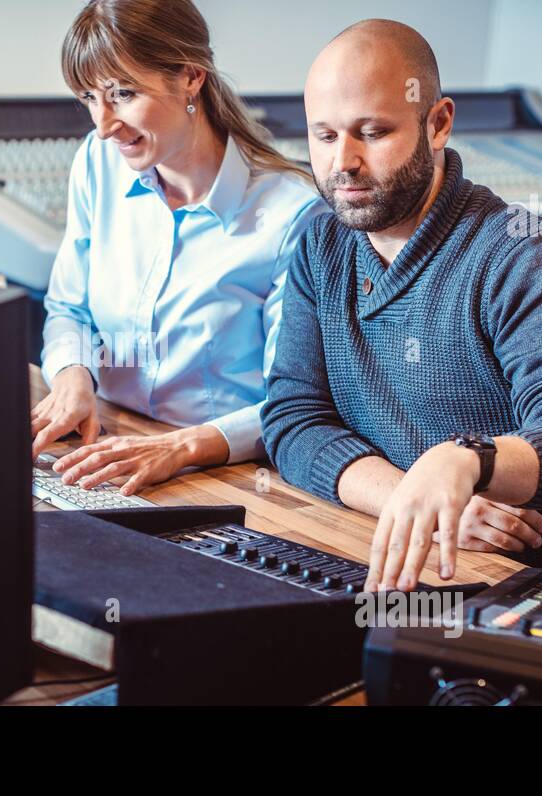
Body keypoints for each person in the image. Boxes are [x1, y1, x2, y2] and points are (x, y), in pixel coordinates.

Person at [261, 19, 542, 591]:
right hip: (416, 574)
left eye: (371, 133)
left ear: (439, 122)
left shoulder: (528, 255)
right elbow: (294, 419)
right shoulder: (321, 247)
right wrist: (421, 503)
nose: (342, 162)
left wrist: (470, 462)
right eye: (324, 136)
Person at [31, 0, 326, 495]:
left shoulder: (292, 216)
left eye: (122, 94)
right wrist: (72, 374)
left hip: (229, 476)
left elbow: (293, 403)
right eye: (88, 97)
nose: (103, 125)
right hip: (107, 443)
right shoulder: (96, 163)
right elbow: (68, 307)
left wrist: (181, 448)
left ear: (191, 76)